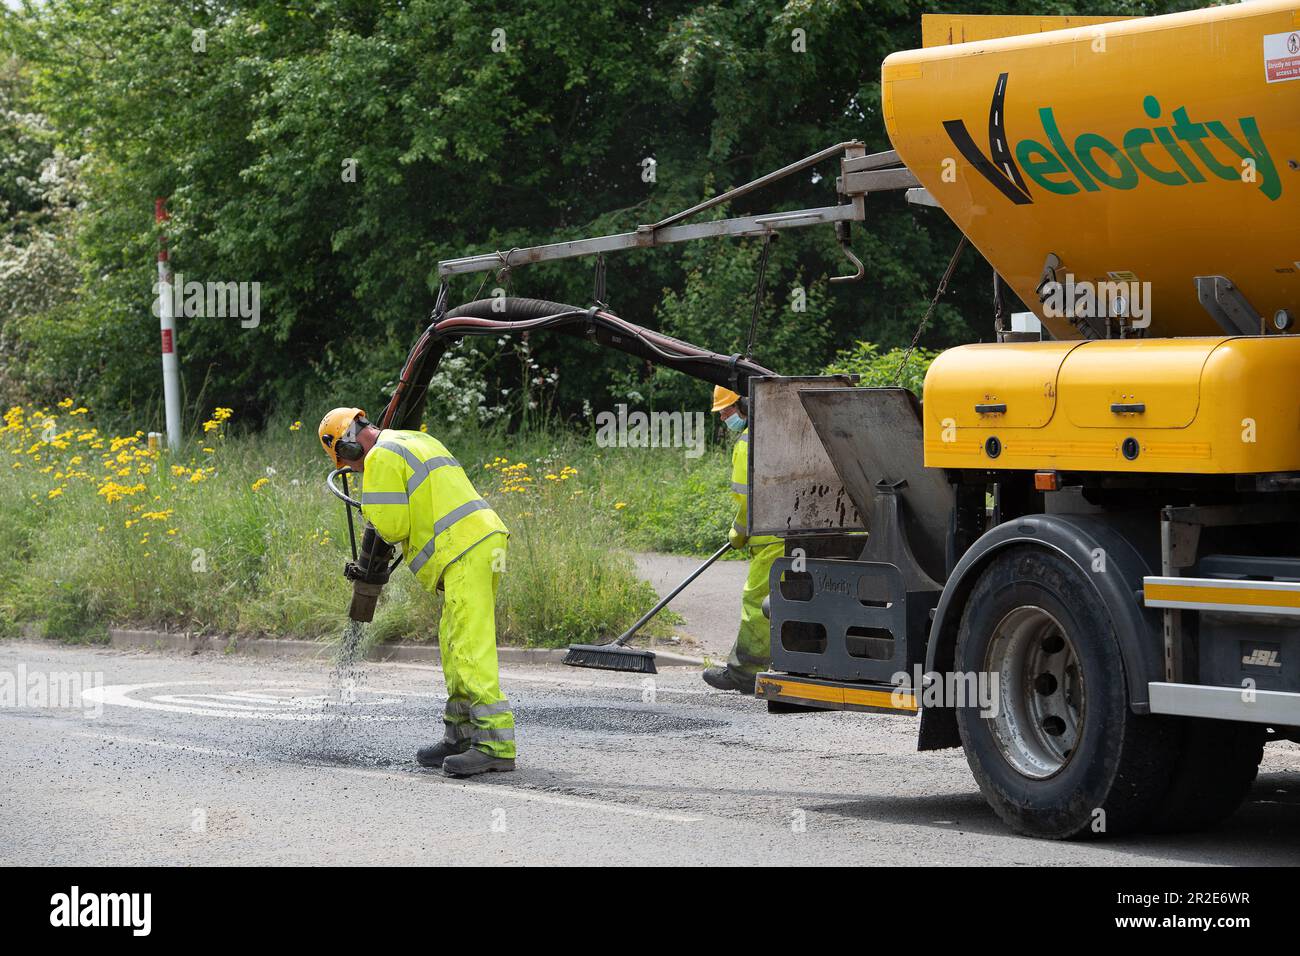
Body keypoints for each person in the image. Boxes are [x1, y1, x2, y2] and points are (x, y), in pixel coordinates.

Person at [318, 407, 515, 777]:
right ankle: (459, 734)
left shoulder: (380, 458)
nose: (353, 469)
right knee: (454, 641)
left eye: (347, 462)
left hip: (465, 548)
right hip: (478, 542)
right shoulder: (412, 438)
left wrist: (370, 509)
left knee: (470, 646)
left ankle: (495, 745)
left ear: (347, 447)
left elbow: (392, 527)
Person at [702, 387, 783, 694]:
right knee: (786, 602)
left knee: (756, 603)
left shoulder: (748, 443)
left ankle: (746, 673)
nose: (724, 418)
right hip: (796, 535)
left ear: (745, 404)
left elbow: (747, 501)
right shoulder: (777, 431)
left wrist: (737, 534)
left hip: (770, 539)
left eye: (726, 411)